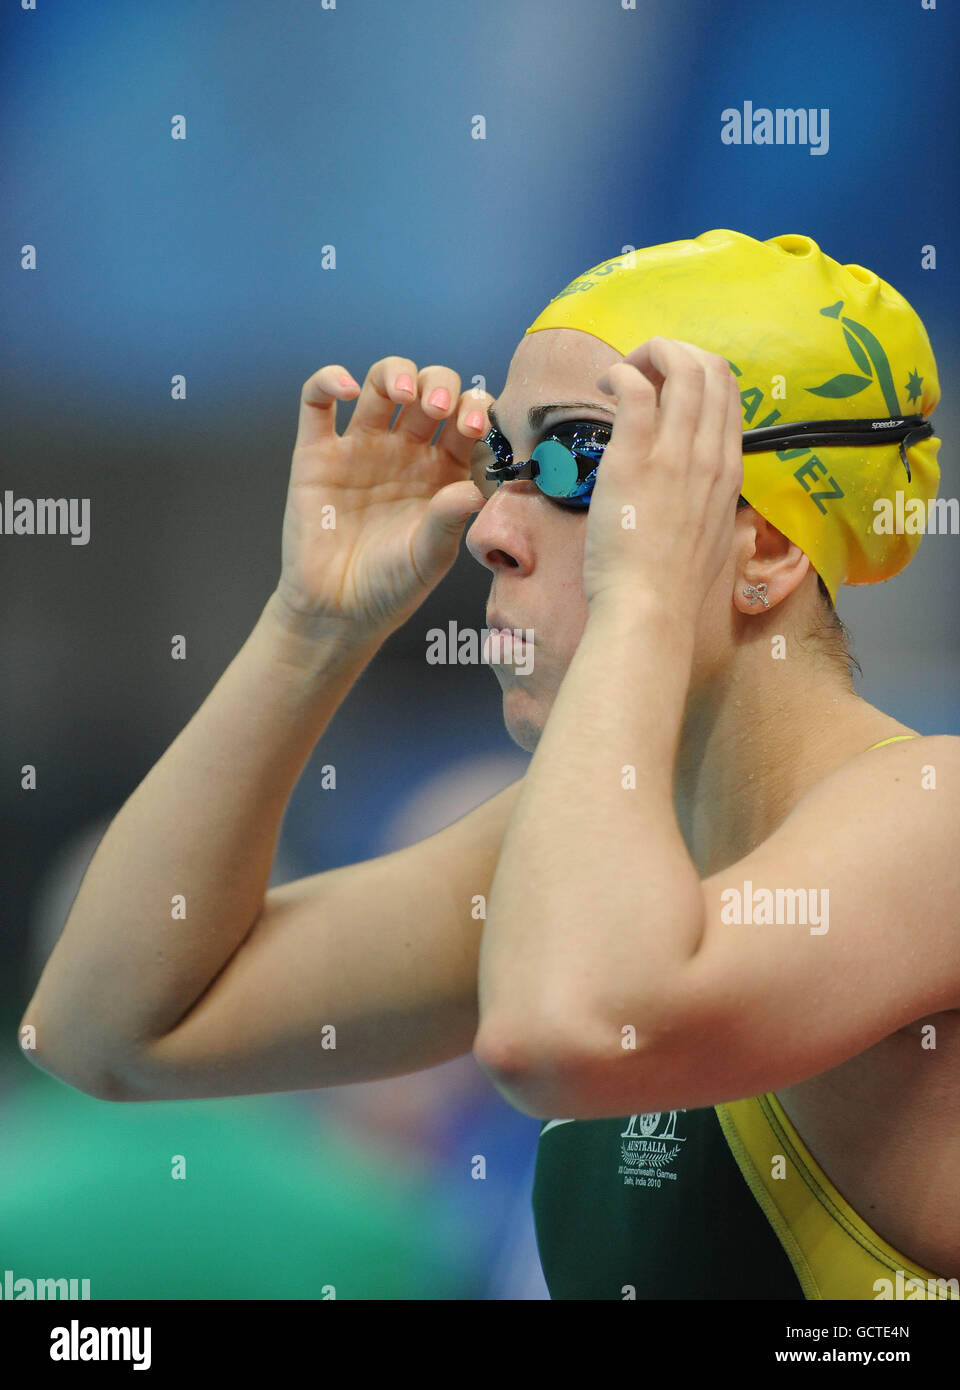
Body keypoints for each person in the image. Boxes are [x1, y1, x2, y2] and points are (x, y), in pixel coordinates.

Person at [19, 229, 960, 1301]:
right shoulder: (570, 851)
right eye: (498, 460)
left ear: (768, 545)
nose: (491, 529)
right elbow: (106, 1030)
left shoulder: (933, 824)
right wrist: (311, 627)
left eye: (580, 459)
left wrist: (641, 603)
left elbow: (565, 1035)